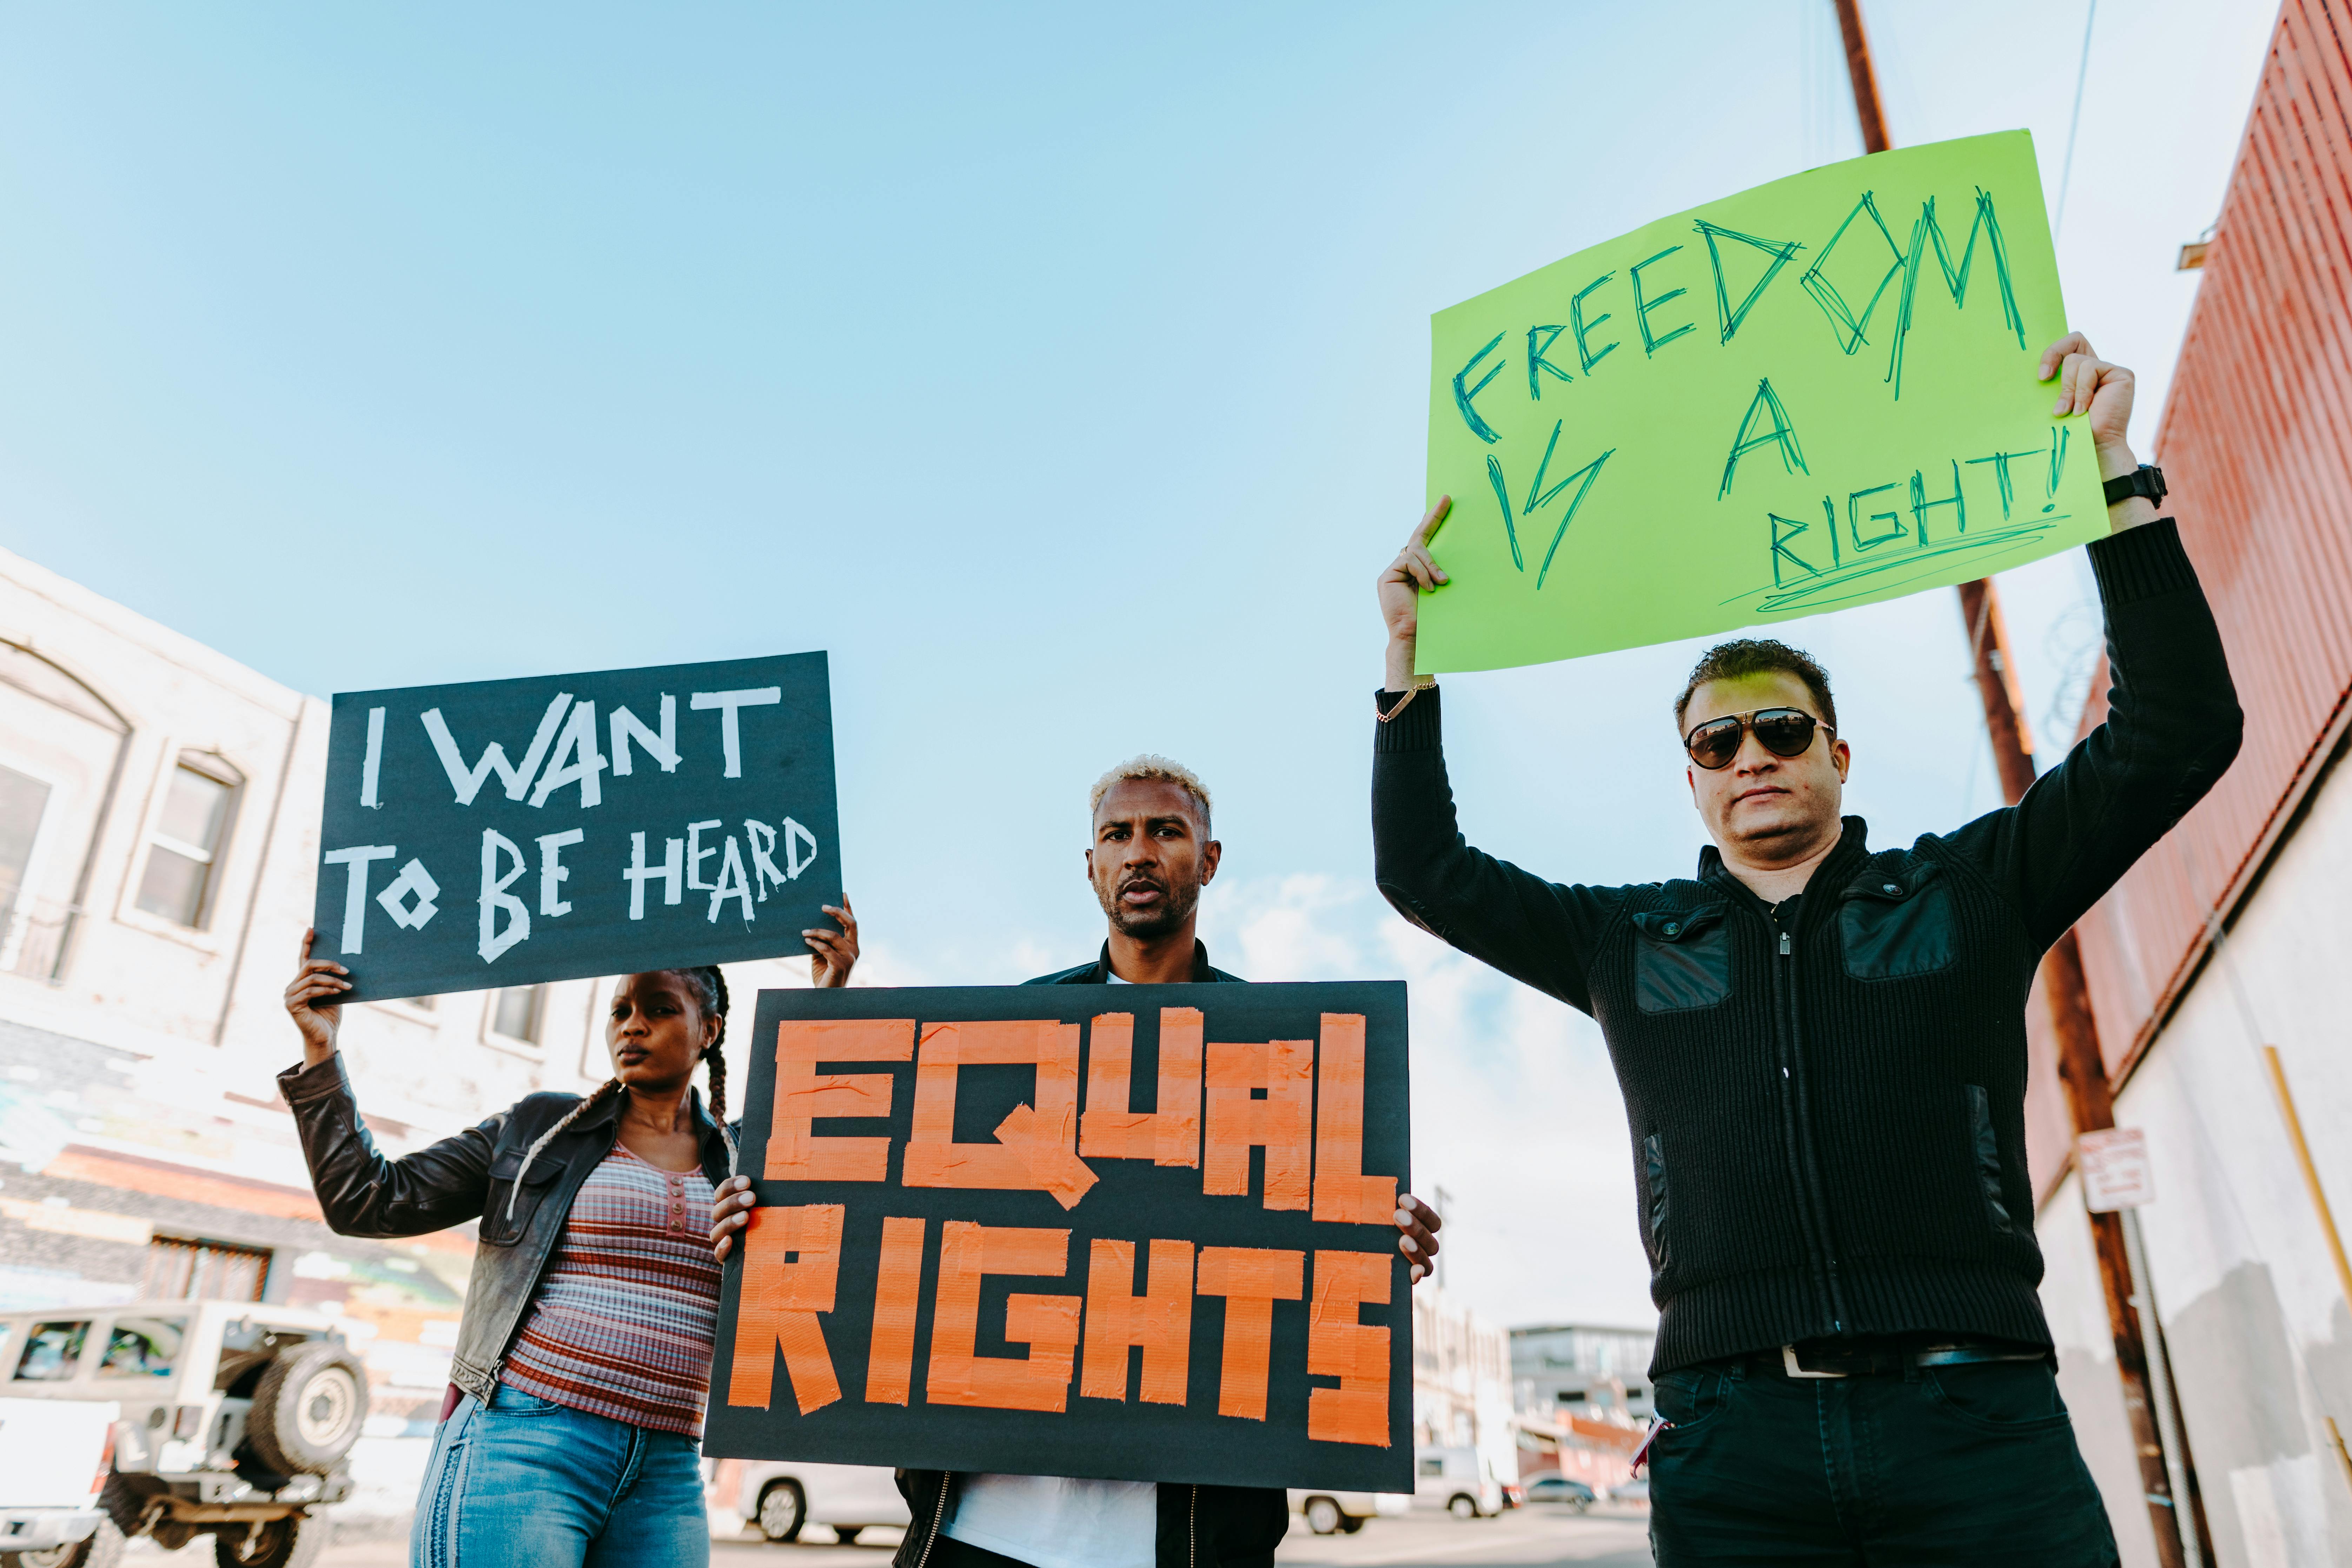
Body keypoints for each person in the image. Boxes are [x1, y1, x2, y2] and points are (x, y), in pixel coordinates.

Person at [1368, 335, 2240, 1566]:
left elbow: (2177, 734)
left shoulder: (1968, 885)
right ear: (1691, 779)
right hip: (1734, 1440)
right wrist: (1411, 660)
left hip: (1975, 1423)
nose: (1751, 755)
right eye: (1718, 742)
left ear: (1838, 753)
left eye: (1781, 727)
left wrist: (2113, 481)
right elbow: (1427, 873)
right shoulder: (1627, 939)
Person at [714, 757, 1442, 1568]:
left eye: (1166, 831)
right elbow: (889, 1209)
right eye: (1116, 834)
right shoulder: (1007, 1032)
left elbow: (1317, 1267)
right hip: (979, 1528)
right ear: (1091, 865)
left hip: (1184, 1538)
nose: (1139, 851)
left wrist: (1379, 1249)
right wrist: (766, 1207)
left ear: (1208, 859)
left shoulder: (1288, 1058)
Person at [280, 902, 859, 1568]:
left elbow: (838, 1150)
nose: (632, 1024)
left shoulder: (745, 1157)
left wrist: (829, 1002)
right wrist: (320, 1051)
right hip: (525, 1444)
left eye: (660, 1008)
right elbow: (370, 1201)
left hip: (667, 1467)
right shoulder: (535, 1129)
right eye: (619, 1011)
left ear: (710, 1030)